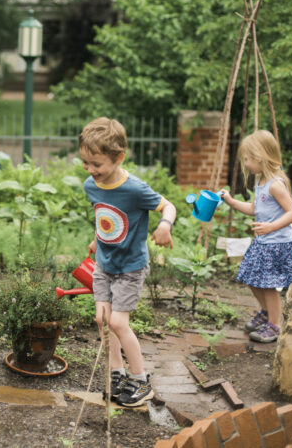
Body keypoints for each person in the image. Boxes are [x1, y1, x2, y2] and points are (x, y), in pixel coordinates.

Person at [79, 117, 176, 407]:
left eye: (97, 164)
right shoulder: (91, 185)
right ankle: (117, 374)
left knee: (119, 322)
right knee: (101, 320)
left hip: (130, 267)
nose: (90, 170)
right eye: (86, 163)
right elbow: (105, 214)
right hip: (104, 264)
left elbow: (167, 205)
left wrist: (165, 225)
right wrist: (99, 238)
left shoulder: (135, 189)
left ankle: (141, 381)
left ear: (118, 157)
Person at [220, 129, 292, 344]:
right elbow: (253, 208)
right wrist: (229, 200)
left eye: (248, 159)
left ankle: (275, 325)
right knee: (251, 278)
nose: (245, 163)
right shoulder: (260, 181)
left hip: (277, 244)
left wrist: (270, 227)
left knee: (268, 285)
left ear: (262, 157)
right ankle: (266, 313)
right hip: (264, 242)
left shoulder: (275, 184)